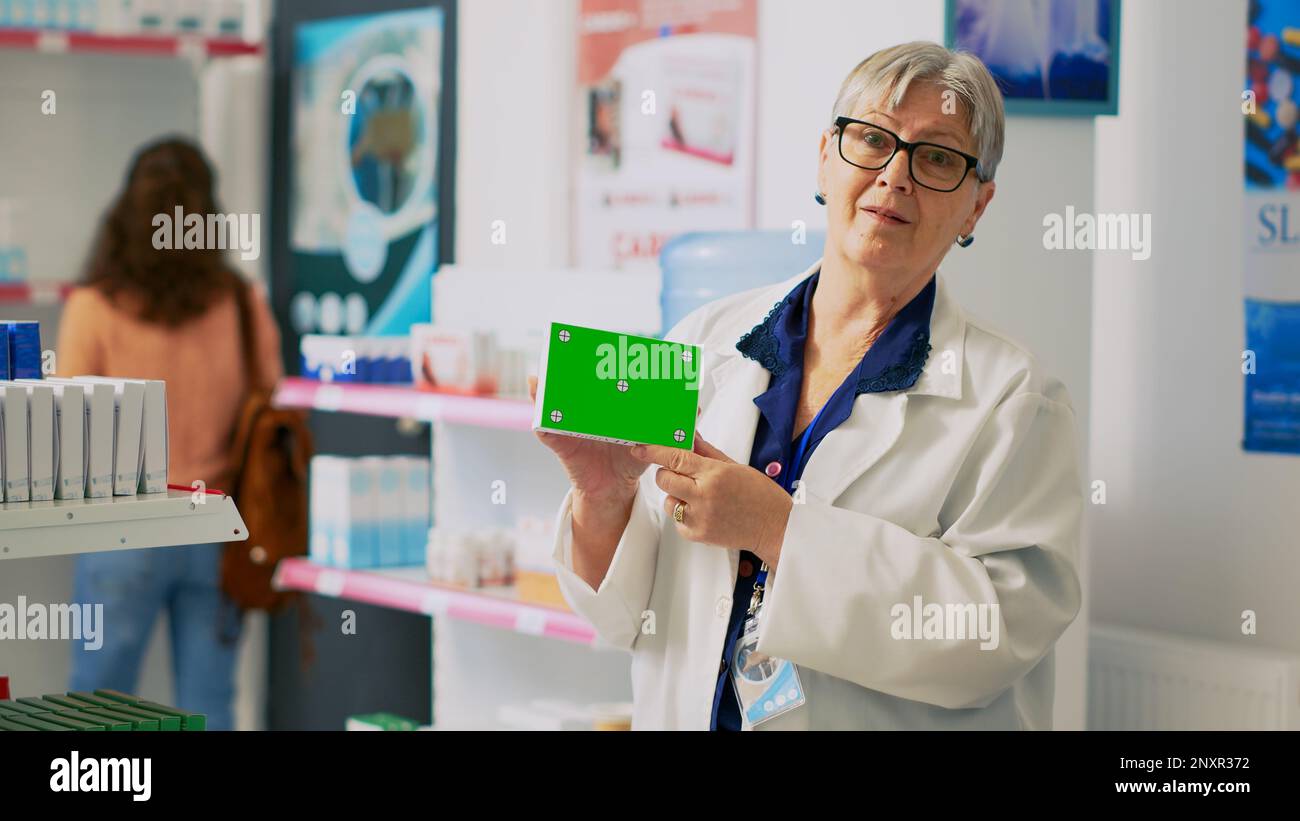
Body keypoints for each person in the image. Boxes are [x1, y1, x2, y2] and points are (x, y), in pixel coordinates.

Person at [532, 41, 1083, 730]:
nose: (895, 176)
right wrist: (603, 498)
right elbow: (625, 616)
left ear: (977, 206)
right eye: (872, 139)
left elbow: (991, 635)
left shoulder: (1015, 401)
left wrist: (778, 529)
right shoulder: (701, 342)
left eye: (937, 157)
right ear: (827, 156)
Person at [56, 138, 283, 730]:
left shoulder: (93, 307)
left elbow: (62, 421)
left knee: (95, 707)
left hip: (120, 528)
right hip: (217, 520)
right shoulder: (240, 302)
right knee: (210, 703)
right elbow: (273, 403)